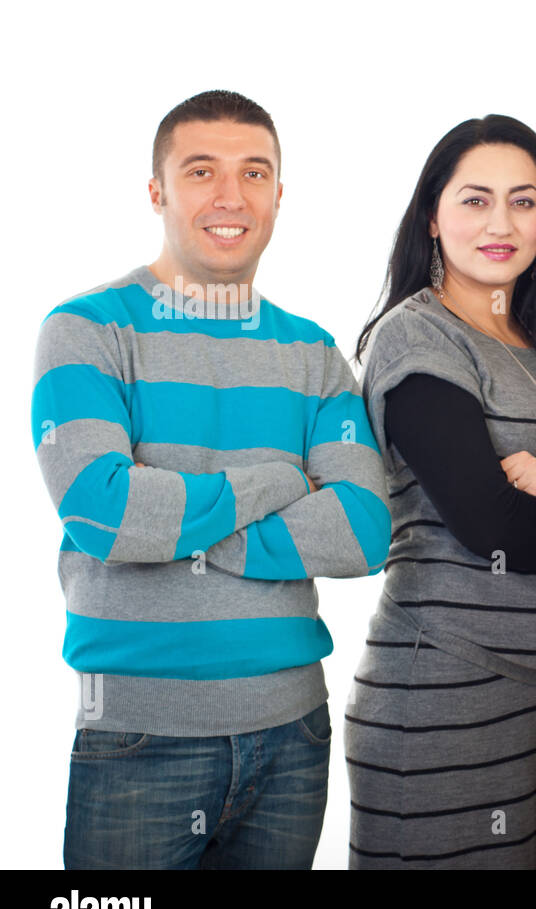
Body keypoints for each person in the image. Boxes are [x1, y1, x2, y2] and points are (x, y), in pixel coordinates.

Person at [32, 90, 391, 869]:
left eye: (254, 173)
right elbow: (105, 514)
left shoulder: (316, 353)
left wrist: (180, 518)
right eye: (202, 171)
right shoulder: (87, 331)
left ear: (279, 195)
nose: (231, 197)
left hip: (294, 737)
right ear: (157, 191)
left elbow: (364, 531)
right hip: (137, 742)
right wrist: (275, 481)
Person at [349, 115, 536, 870]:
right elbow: (492, 523)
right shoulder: (418, 336)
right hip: (448, 697)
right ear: (432, 219)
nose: (502, 224)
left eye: (524, 200)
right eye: (476, 201)